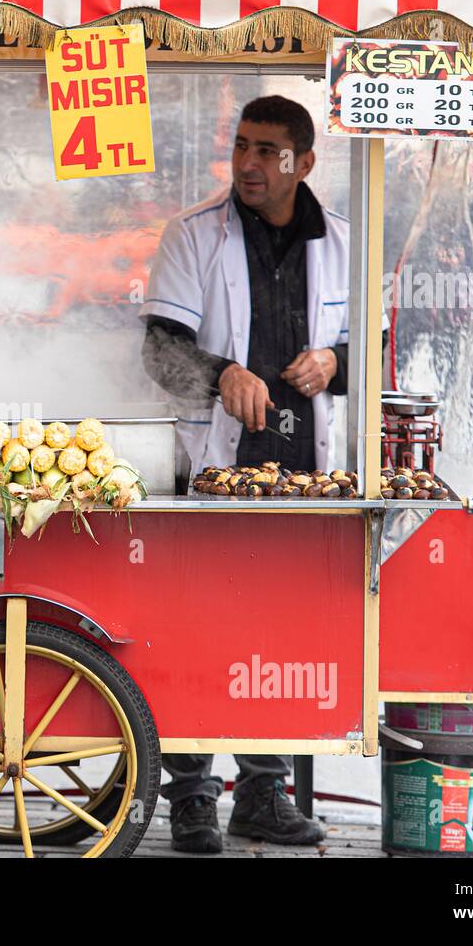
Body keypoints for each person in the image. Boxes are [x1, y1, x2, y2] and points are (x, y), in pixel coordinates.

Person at [139, 95, 355, 853]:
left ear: (305, 161)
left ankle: (264, 793)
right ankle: (193, 796)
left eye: (269, 151)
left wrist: (336, 363)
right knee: (195, 626)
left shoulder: (344, 244)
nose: (250, 164)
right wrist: (222, 372)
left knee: (279, 632)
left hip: (303, 474)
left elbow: (372, 355)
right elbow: (160, 354)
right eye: (242, 147)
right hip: (210, 468)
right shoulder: (194, 235)